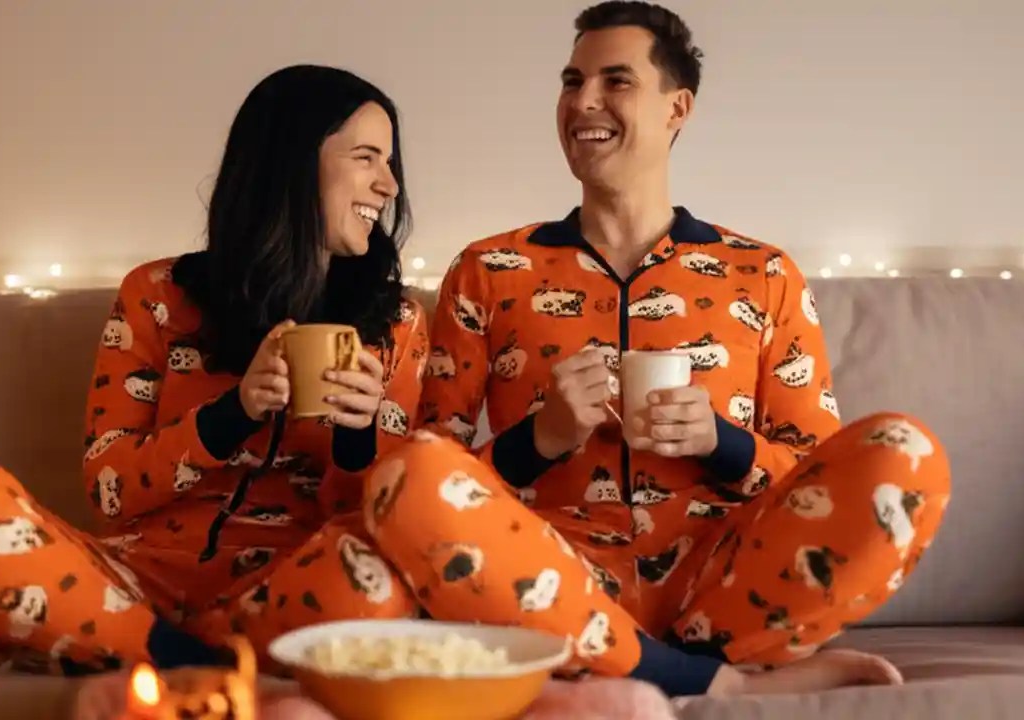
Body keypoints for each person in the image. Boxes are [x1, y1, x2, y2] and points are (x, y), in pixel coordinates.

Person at [387, 1, 952, 697]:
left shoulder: (765, 274)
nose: (583, 101)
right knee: (404, 480)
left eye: (615, 81)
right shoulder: (489, 268)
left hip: (724, 584)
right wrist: (539, 439)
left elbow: (815, 476)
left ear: (676, 107)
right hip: (553, 581)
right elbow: (427, 467)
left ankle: (662, 664)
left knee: (905, 450)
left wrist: (722, 443)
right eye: (571, 81)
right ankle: (723, 684)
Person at [0, 64, 429, 675]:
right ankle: (183, 656)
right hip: (130, 584)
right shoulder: (158, 296)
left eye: (390, 162)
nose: (390, 186)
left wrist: (357, 438)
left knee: (386, 577)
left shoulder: (396, 325)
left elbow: (374, 523)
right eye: (368, 158)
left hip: (290, 592)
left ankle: (130, 655)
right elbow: (110, 489)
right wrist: (233, 413)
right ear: (292, 162)